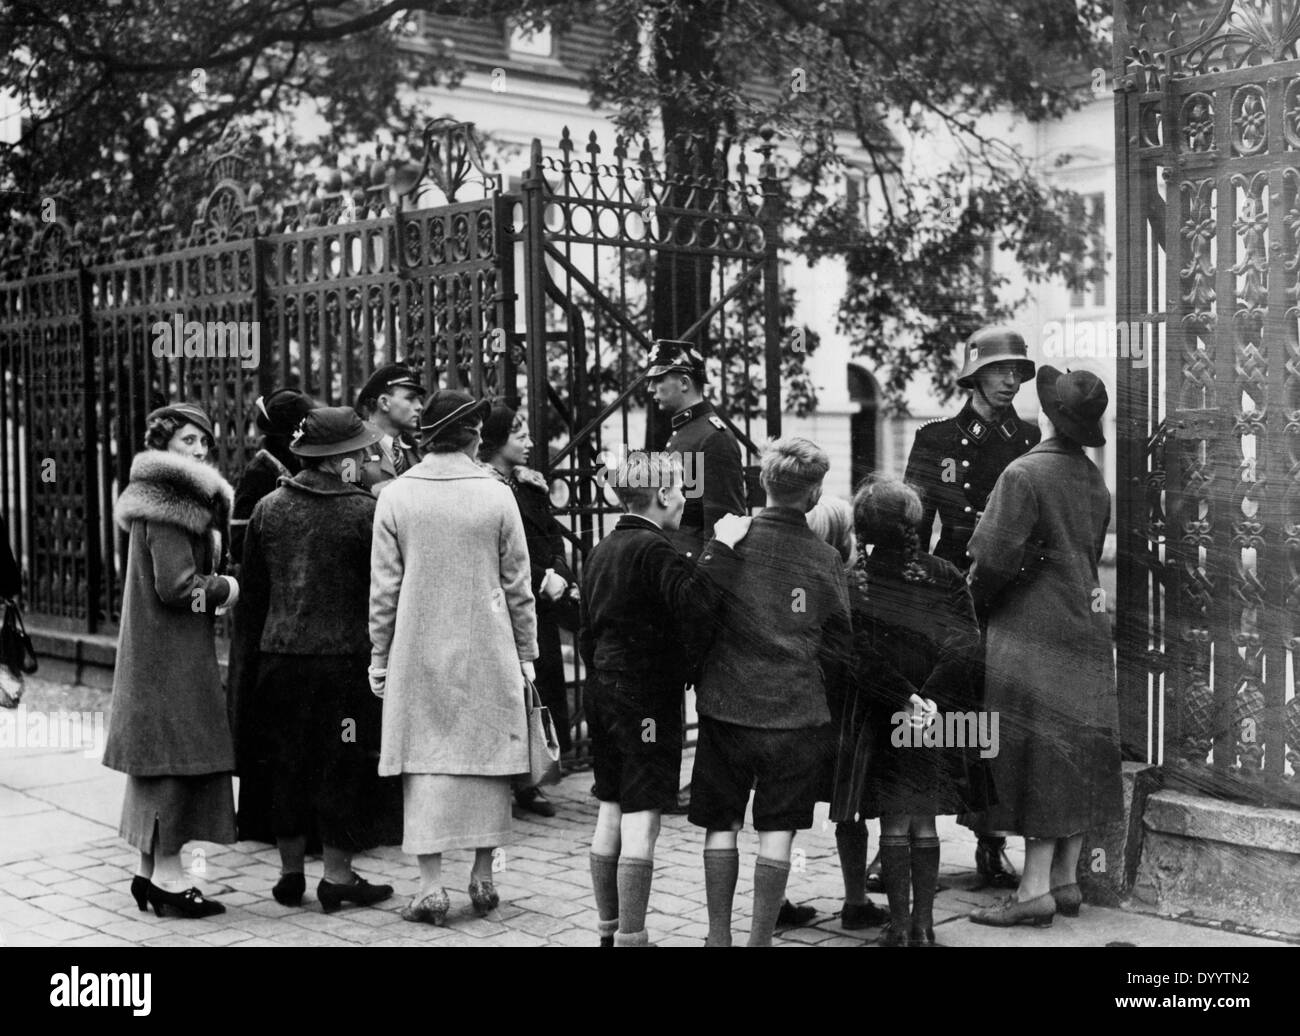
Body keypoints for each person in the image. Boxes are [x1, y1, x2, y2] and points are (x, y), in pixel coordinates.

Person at [370, 389, 538, 927]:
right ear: (473, 436)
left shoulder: (396, 496)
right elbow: (518, 585)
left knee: (424, 760)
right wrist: (527, 652)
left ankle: (429, 886)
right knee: (487, 754)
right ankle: (484, 875)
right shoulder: (497, 496)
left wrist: (379, 655)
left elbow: (384, 591)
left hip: (416, 646)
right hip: (487, 643)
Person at [966, 367, 1122, 928]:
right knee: (1076, 746)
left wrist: (975, 604)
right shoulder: (1093, 481)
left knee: (1035, 752)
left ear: (1049, 416)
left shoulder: (1022, 474)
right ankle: (1066, 881)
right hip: (1084, 628)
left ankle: (1032, 891)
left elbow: (990, 562)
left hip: (1030, 633)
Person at [580, 451, 750, 946]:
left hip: (603, 689)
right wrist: (721, 547)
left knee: (610, 804)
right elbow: (697, 605)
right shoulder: (655, 551)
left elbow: (589, 629)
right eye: (679, 489)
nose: (684, 498)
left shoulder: (603, 548)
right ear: (661, 495)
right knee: (643, 814)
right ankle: (634, 937)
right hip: (645, 698)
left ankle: (608, 930)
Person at [235, 407, 401, 912]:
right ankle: (337, 876)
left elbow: (254, 592)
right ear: (340, 460)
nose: (363, 458)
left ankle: (289, 873)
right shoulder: (362, 512)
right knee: (342, 763)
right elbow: (382, 590)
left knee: (286, 764)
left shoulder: (267, 508)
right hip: (343, 666)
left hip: (280, 661)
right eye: (358, 452)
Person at [688, 436, 851, 947]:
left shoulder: (732, 542)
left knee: (722, 822)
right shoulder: (825, 558)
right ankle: (760, 940)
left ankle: (719, 937)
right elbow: (841, 644)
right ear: (815, 493)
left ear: (764, 484)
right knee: (778, 829)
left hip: (726, 706)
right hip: (794, 712)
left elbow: (699, 614)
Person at [903, 325, 1037, 890]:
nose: (1011, 379)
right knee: (934, 714)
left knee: (992, 717)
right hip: (949, 595)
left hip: (1008, 597)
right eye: (1001, 370)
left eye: (1017, 371)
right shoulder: (935, 439)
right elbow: (912, 522)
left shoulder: (1029, 438)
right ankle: (908, 841)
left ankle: (989, 840)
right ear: (975, 374)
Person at [830, 477, 989, 946]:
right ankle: (924, 925)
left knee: (893, 820)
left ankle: (898, 929)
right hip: (936, 716)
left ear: (861, 526)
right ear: (914, 523)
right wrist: (932, 698)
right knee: (924, 819)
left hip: (880, 716)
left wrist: (904, 697)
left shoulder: (853, 578)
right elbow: (967, 642)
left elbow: (856, 654)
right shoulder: (945, 574)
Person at [103, 402, 239, 919]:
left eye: (204, 440)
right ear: (164, 445)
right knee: (172, 763)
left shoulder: (156, 499)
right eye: (188, 440)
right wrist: (226, 589)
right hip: (170, 655)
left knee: (160, 762)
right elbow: (177, 588)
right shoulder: (171, 504)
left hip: (159, 652)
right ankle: (168, 878)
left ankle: (148, 874)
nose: (200, 450)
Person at [479, 402, 578, 818]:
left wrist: (558, 574)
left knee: (541, 691)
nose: (530, 443)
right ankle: (500, 780)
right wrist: (541, 577)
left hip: (543, 606)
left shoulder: (531, 487)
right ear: (498, 440)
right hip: (504, 604)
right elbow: (494, 552)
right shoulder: (482, 489)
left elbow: (552, 539)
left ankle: (531, 779)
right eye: (520, 436)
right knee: (504, 691)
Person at [228, 387, 315, 844]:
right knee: (263, 710)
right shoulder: (262, 471)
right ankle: (259, 819)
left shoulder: (290, 466)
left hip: (286, 604)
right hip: (263, 607)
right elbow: (239, 545)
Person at [805, 495, 888, 931]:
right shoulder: (858, 586)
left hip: (802, 713)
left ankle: (778, 896)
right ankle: (855, 899)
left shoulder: (798, 578)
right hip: (850, 717)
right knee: (850, 812)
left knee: (782, 810)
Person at [356, 362, 425, 494]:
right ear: (384, 403)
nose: (419, 406)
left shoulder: (417, 448)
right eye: (410, 398)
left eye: (419, 399)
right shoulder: (352, 450)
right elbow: (347, 497)